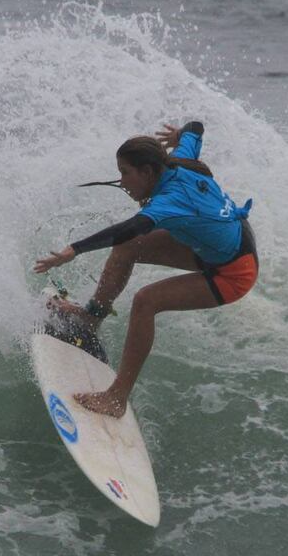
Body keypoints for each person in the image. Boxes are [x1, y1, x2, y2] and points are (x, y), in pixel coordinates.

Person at [33, 120, 257, 418]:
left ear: (148, 172)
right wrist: (180, 135)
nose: (122, 182)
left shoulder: (171, 200)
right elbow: (196, 127)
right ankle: (90, 318)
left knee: (146, 301)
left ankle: (116, 399)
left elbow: (130, 227)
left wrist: (73, 250)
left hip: (234, 271)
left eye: (126, 173)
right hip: (217, 242)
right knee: (129, 247)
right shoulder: (177, 161)